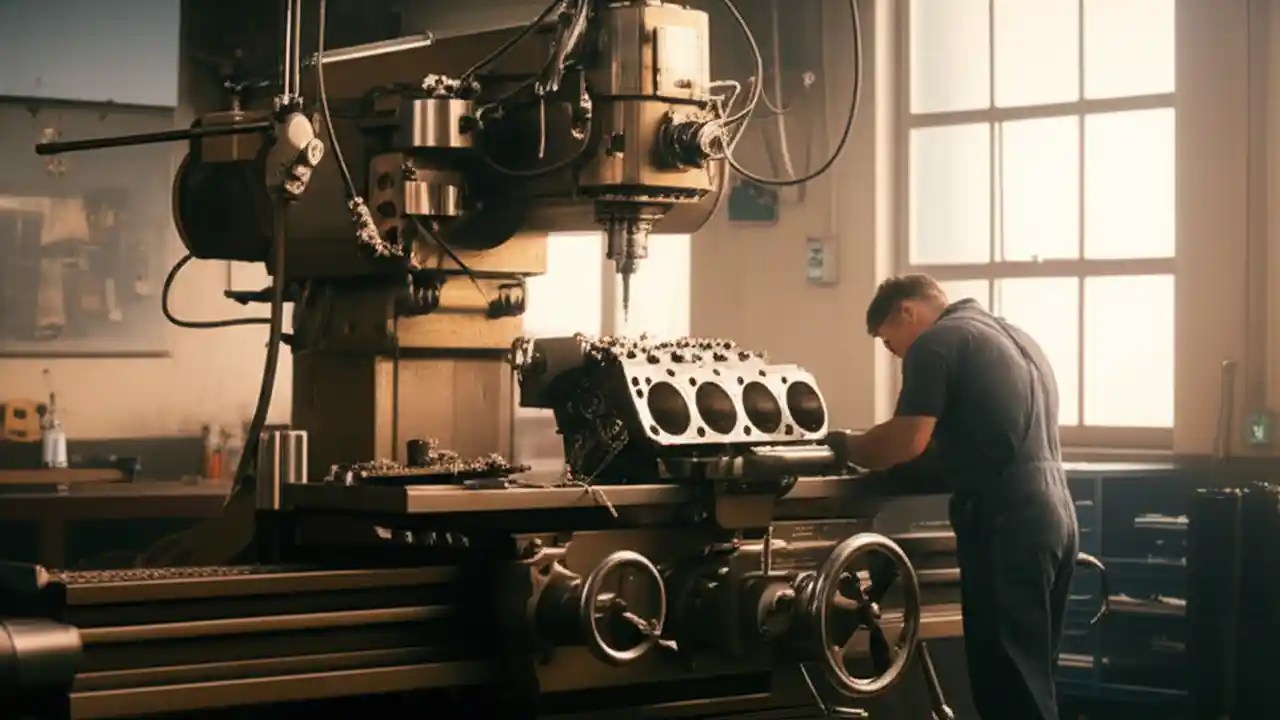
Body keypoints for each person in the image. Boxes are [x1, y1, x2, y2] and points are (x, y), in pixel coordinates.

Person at [826, 274, 1079, 720]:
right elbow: (982, 441)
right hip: (1056, 513)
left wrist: (845, 446)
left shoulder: (937, 342)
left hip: (1007, 521)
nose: (895, 354)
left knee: (1006, 686)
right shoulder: (1016, 338)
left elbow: (906, 440)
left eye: (889, 342)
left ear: (907, 311)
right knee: (1032, 681)